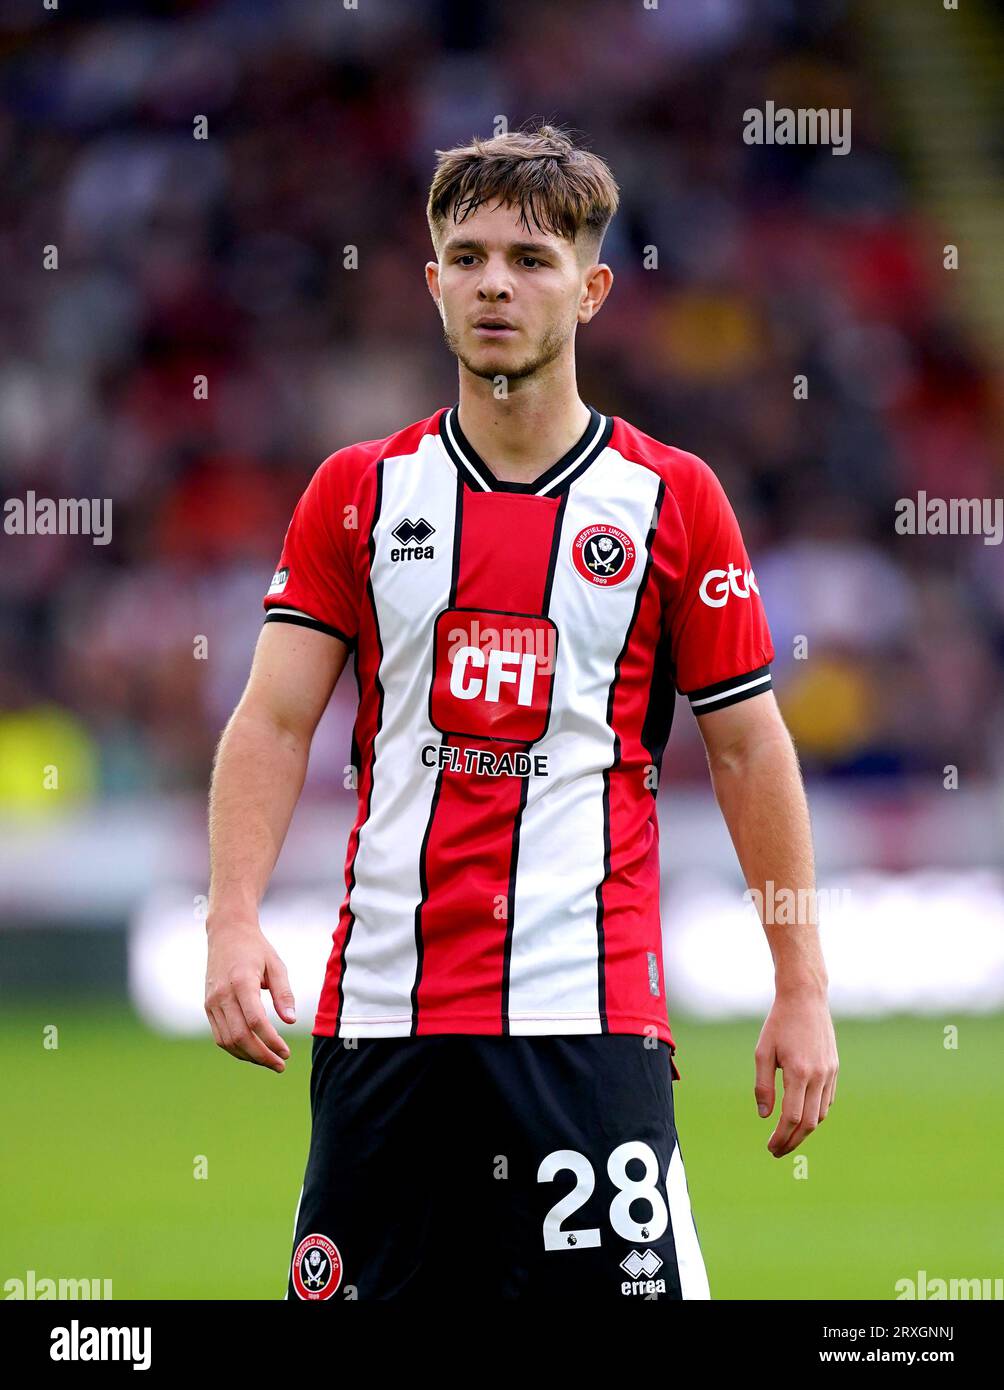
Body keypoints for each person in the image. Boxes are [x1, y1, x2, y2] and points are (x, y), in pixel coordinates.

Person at [204, 123, 838, 1301]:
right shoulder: (355, 493)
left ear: (591, 290)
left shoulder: (671, 500)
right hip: (382, 1018)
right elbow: (272, 721)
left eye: (531, 259)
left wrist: (797, 985)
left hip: (585, 1017)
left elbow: (748, 748)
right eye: (468, 253)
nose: (495, 280)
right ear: (432, 278)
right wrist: (230, 918)